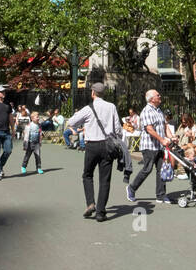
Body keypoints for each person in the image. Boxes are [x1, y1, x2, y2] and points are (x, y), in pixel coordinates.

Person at [67, 82, 123, 221]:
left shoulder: (88, 108)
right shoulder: (111, 107)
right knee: (105, 179)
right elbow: (118, 129)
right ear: (104, 93)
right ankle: (100, 212)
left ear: (93, 93)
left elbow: (71, 122)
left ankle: (90, 203)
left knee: (87, 175)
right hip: (107, 145)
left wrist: (84, 124)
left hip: (92, 144)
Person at [126, 89, 172, 206]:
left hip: (160, 146)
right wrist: (162, 139)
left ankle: (161, 195)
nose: (160, 96)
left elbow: (164, 126)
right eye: (158, 95)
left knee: (161, 169)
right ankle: (131, 188)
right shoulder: (146, 111)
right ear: (152, 99)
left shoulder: (159, 111)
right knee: (147, 169)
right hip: (149, 146)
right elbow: (149, 129)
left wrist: (171, 137)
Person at [20, 111, 44, 175]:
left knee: (38, 156)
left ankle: (38, 168)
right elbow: (25, 135)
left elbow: (40, 133)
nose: (38, 118)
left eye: (38, 117)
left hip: (36, 144)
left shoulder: (39, 125)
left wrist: (40, 141)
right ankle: (23, 167)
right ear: (32, 118)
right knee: (27, 156)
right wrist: (25, 144)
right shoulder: (29, 125)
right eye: (37, 117)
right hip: (29, 143)